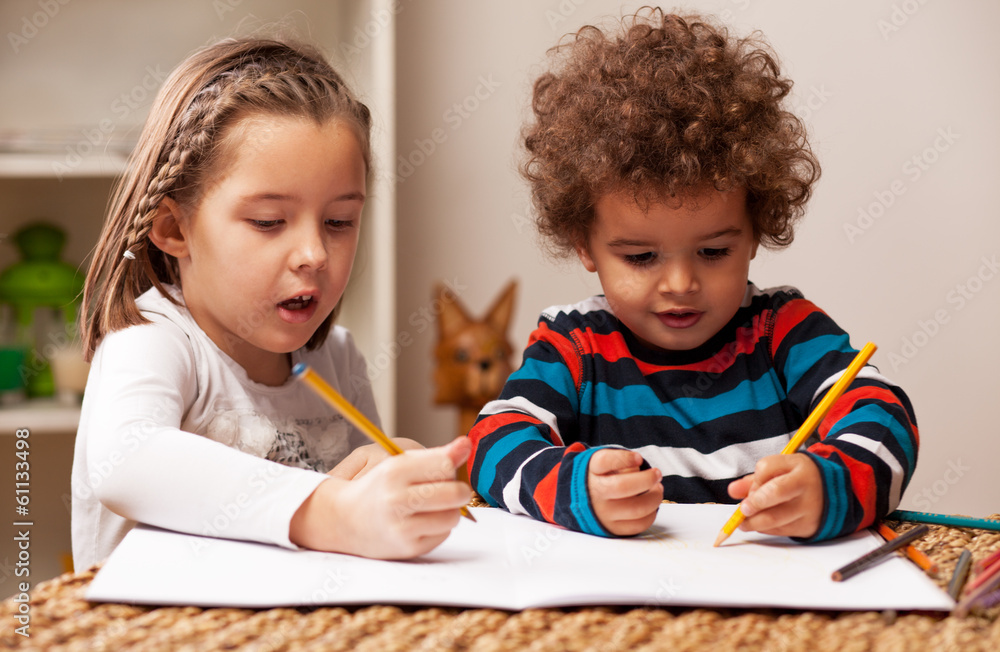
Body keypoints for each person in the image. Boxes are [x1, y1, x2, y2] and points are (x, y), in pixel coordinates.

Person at [468, 9, 918, 542]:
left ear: (753, 232)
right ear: (583, 244)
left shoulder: (785, 331)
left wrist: (830, 485)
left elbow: (887, 419)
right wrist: (575, 488)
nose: (680, 283)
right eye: (640, 257)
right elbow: (493, 442)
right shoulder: (574, 345)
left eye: (712, 251)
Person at [72, 38, 471, 569]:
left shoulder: (338, 360)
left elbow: (340, 535)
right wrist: (331, 509)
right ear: (173, 228)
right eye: (268, 222)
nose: (313, 254)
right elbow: (125, 461)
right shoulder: (151, 341)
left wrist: (379, 481)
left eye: (339, 222)